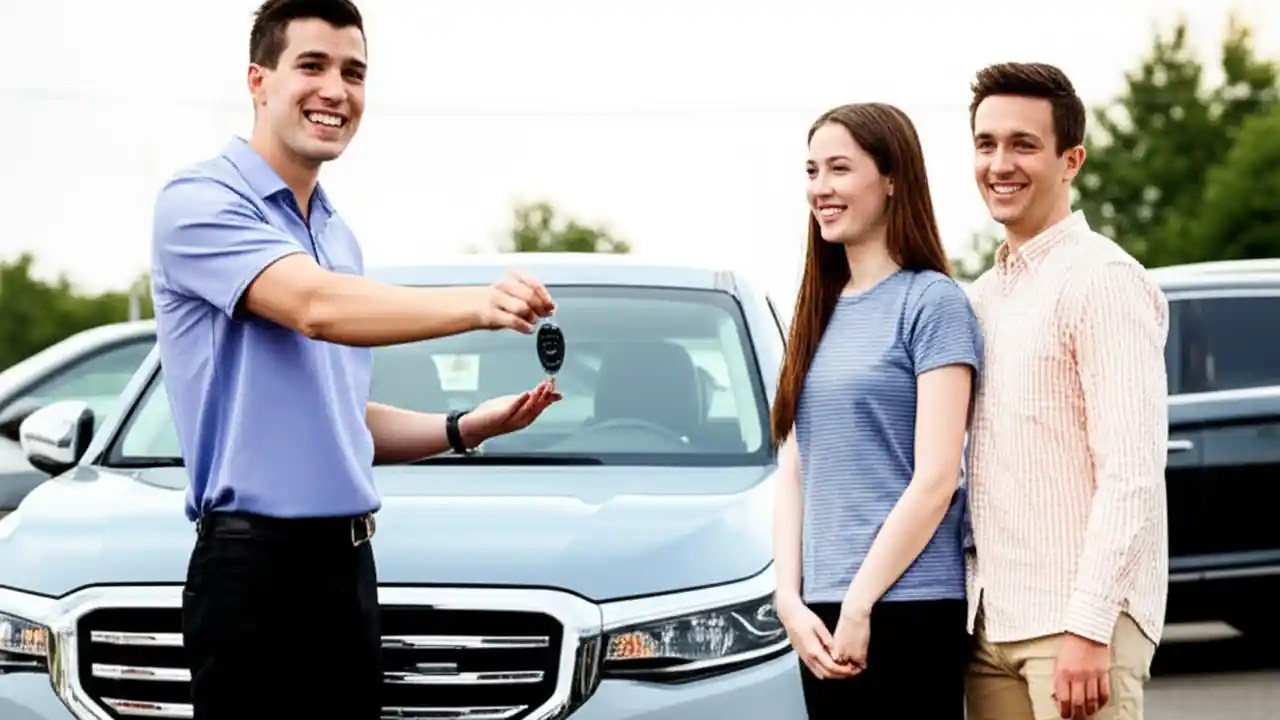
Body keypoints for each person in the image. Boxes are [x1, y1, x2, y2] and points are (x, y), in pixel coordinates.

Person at [149, 1, 563, 717]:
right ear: (258, 80)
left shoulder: (338, 234)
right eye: (311, 65)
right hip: (253, 574)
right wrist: (477, 304)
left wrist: (466, 427)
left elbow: (338, 422)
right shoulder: (199, 201)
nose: (336, 90)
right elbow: (319, 310)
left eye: (354, 72)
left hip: (346, 568)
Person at [962, 62, 1170, 720]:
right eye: (986, 143)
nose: (1000, 163)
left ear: (1070, 159)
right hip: (992, 622)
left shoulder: (1102, 280)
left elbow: (1132, 473)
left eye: (1023, 144)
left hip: (1076, 626)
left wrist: (1088, 626)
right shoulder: (983, 295)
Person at [769, 102, 983, 719]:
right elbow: (796, 471)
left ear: (892, 179)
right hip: (822, 611)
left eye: (840, 168)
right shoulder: (817, 310)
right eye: (812, 171)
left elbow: (938, 477)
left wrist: (861, 603)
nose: (821, 188)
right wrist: (789, 600)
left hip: (908, 606)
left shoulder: (932, 302)